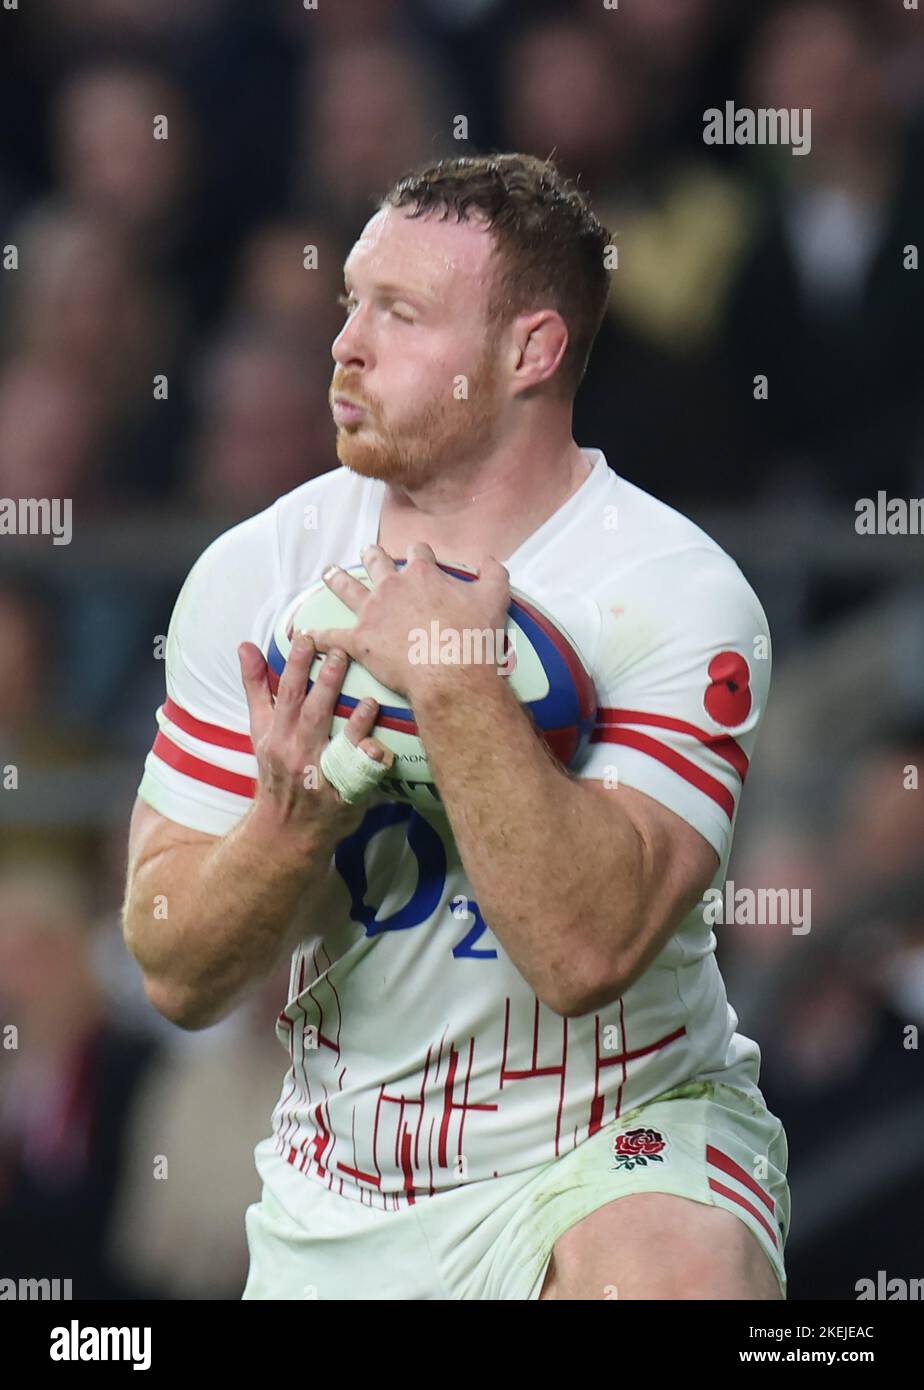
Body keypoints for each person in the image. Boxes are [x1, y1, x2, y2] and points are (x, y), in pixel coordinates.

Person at [122, 154, 788, 1301]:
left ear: (530, 352)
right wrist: (287, 828)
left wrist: (457, 681)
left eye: (401, 314)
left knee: (677, 1273)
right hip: (349, 1177)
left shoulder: (675, 590)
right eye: (351, 304)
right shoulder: (255, 572)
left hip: (618, 1133)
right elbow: (174, 969)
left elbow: (585, 953)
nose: (345, 345)